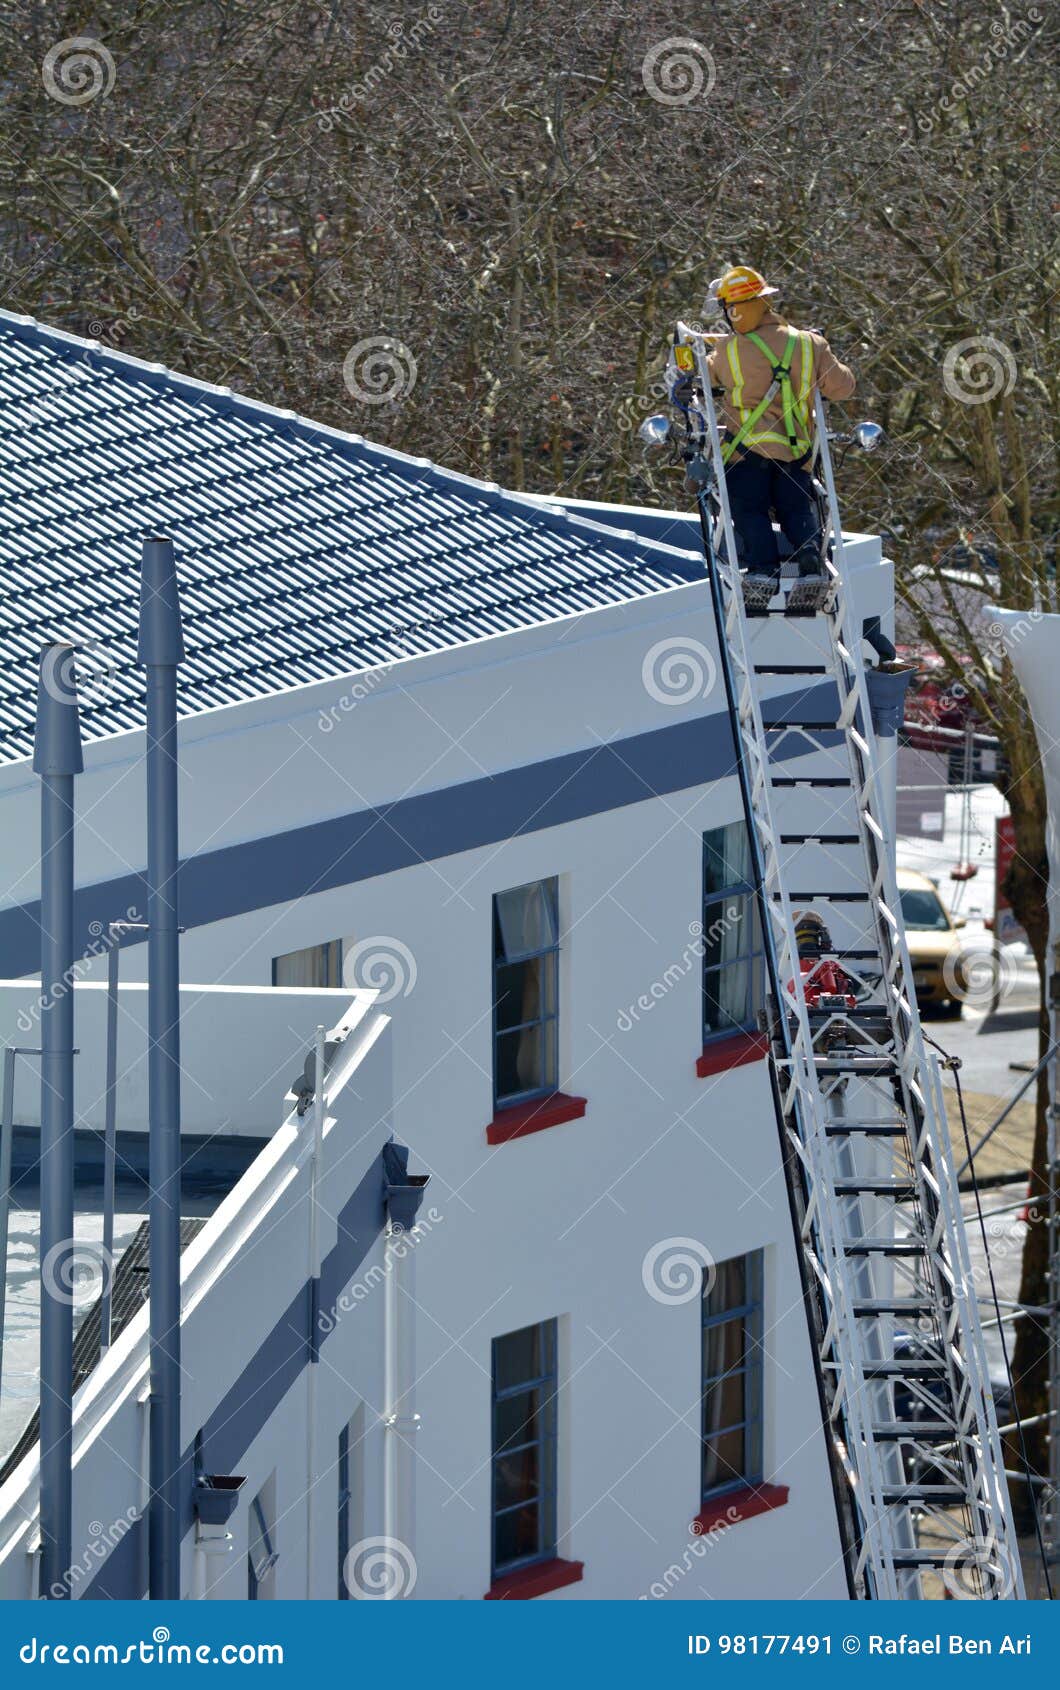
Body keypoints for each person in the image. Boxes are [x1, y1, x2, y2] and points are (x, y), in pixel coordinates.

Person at [702, 265, 856, 612]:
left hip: (745, 455)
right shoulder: (810, 343)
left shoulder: (729, 349)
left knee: (749, 509)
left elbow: (703, 378)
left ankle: (762, 572)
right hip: (797, 454)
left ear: (735, 310)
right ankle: (811, 568)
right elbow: (843, 387)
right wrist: (820, 354)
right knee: (796, 508)